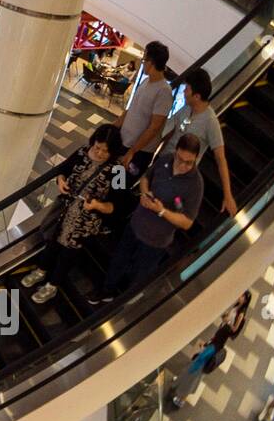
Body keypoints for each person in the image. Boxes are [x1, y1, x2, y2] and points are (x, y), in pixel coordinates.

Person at [91, 133, 204, 305]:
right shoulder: (165, 160)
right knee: (118, 259)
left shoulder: (195, 184)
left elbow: (187, 222)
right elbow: (145, 179)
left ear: (196, 158)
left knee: (139, 275)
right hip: (135, 225)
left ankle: (124, 305)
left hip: (156, 241)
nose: (182, 165)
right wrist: (145, 193)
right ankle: (106, 291)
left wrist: (161, 211)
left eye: (188, 162)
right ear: (175, 152)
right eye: (179, 158)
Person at [19, 124, 123, 304]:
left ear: (113, 151)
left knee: (68, 253)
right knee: (53, 242)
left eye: (104, 151)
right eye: (97, 148)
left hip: (85, 222)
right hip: (65, 211)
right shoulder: (83, 152)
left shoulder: (118, 170)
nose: (98, 153)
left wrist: (98, 205)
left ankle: (53, 285)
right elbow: (63, 171)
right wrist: (61, 181)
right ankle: (41, 270)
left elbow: (119, 204)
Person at [163, 67, 236, 215]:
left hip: (178, 175)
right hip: (162, 164)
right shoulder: (186, 108)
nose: (184, 92)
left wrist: (227, 195)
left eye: (187, 89)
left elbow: (221, 159)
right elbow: (169, 132)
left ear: (196, 96)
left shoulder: (210, 121)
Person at [167, 292, 251, 409]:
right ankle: (179, 383)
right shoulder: (236, 307)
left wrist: (227, 321)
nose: (239, 296)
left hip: (215, 346)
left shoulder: (240, 314)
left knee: (196, 370)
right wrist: (208, 342)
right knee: (194, 365)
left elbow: (233, 330)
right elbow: (220, 331)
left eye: (242, 296)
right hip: (214, 342)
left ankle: (182, 397)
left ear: (246, 300)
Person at [118, 40, 173, 176]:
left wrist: (132, 151)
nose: (142, 63)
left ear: (151, 63)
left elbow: (154, 127)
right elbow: (131, 109)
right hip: (125, 143)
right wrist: (112, 128)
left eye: (143, 60)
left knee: (120, 186)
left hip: (138, 152)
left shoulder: (164, 91)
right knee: (112, 180)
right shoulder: (145, 81)